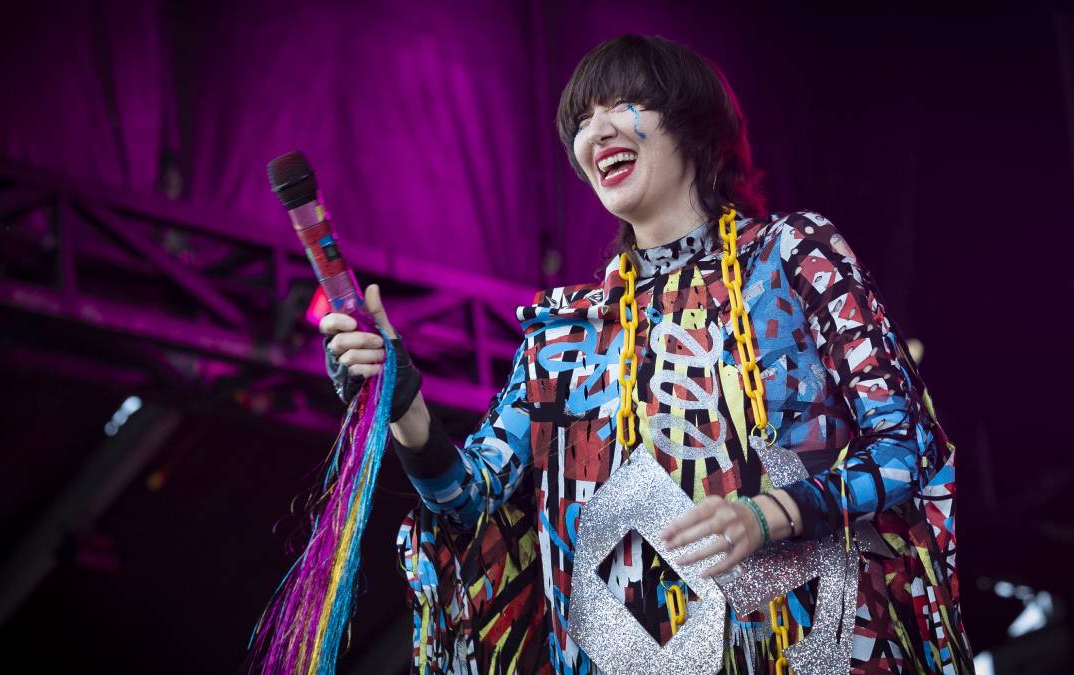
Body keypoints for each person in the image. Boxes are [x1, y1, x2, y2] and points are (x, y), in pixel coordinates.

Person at [320, 34, 971, 674]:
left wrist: (773, 512)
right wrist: (402, 405)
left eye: (623, 104)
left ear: (691, 123)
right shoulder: (566, 331)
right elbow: (466, 500)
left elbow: (905, 444)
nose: (596, 130)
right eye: (581, 119)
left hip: (813, 641)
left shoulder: (791, 254)